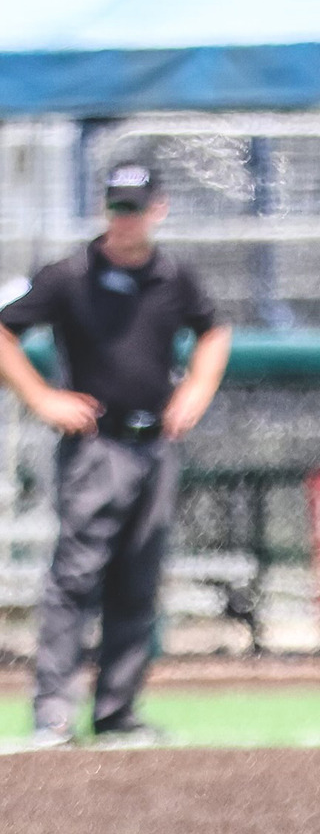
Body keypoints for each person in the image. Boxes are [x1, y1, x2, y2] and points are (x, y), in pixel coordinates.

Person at [0, 162, 230, 750]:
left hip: (155, 443)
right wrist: (41, 397)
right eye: (117, 207)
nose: (125, 219)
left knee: (139, 580)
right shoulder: (70, 274)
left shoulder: (173, 275)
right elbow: (4, 331)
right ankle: (53, 715)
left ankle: (118, 714)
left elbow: (214, 330)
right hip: (95, 450)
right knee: (75, 578)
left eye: (136, 207)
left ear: (159, 208)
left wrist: (197, 389)